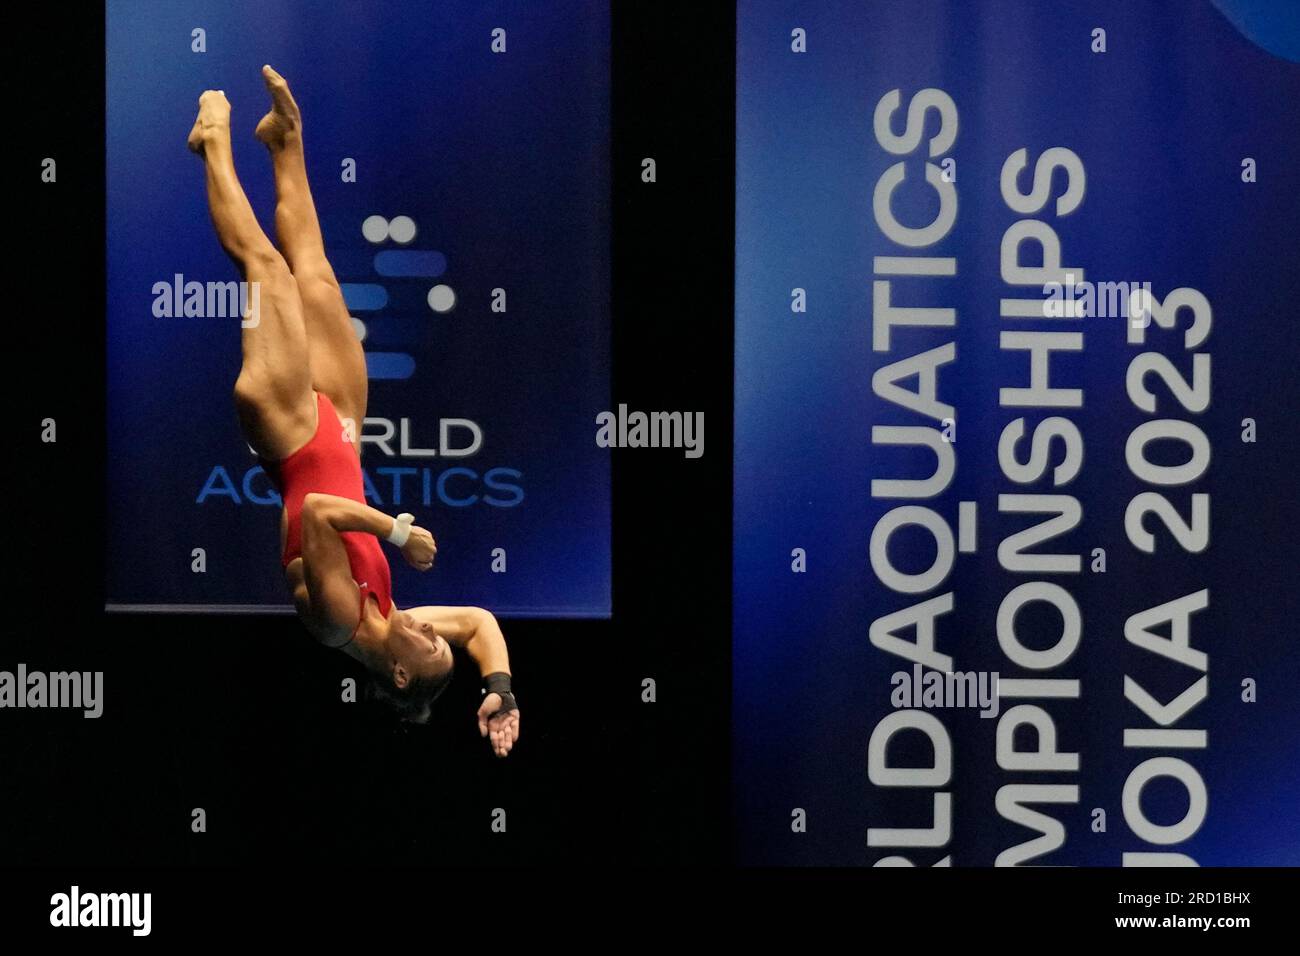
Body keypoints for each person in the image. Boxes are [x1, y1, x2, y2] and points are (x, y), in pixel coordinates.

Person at [187, 66, 519, 755]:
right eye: (439, 640)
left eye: (432, 650)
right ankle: (285, 140)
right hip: (339, 427)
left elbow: (317, 514)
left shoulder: (338, 624)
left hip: (287, 433)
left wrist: (399, 534)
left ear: (397, 671)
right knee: (314, 270)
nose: (436, 633)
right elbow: (481, 619)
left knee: (267, 271)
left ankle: (211, 144)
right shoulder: (397, 617)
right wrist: (500, 687)